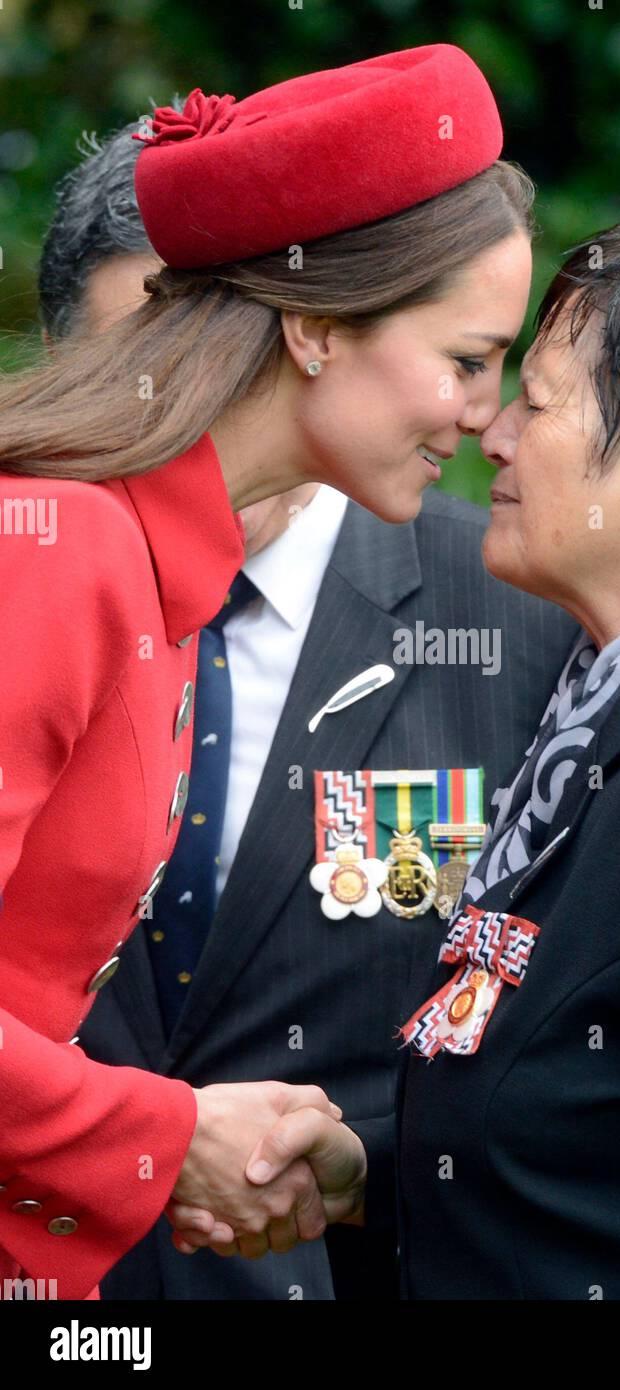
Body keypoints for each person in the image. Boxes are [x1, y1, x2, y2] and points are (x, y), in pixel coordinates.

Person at [193, 211, 620, 1299]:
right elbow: (607, 1143)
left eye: (538, 399)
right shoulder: (618, 702)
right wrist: (364, 1168)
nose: (494, 433)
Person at [0, 43, 542, 1300]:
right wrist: (165, 1138)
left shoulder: (149, 564)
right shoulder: (65, 550)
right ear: (310, 327)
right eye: (467, 357)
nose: (489, 416)